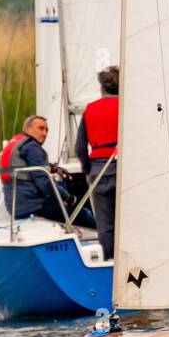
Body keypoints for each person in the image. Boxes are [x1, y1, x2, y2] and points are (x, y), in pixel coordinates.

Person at [75, 66, 119, 262]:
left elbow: (80, 146)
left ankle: (110, 263)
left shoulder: (90, 109)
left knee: (105, 224)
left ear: (102, 88)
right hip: (123, 170)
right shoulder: (126, 106)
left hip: (98, 172)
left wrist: (87, 169)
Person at [0, 114, 70, 223]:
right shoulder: (32, 147)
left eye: (47, 130)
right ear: (27, 129)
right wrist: (67, 197)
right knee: (83, 214)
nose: (45, 133)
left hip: (15, 210)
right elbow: (45, 183)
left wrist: (54, 168)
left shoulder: (17, 144)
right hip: (34, 207)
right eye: (40, 128)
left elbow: (32, 166)